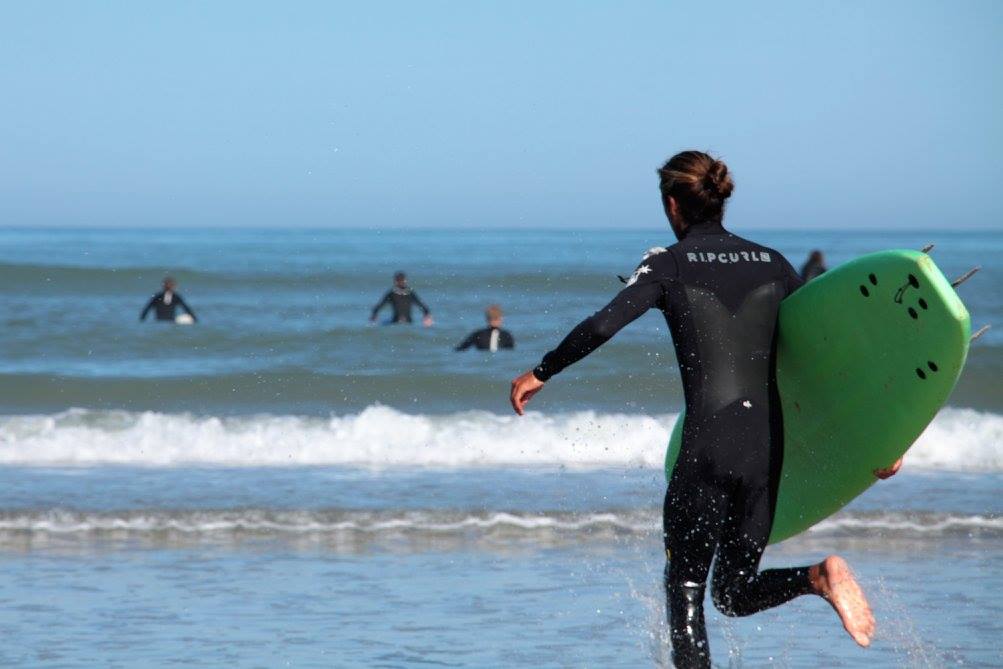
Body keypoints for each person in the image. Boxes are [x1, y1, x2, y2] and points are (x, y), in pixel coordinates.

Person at [509, 151, 902, 668]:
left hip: (707, 449)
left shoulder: (667, 264)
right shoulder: (773, 263)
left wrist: (542, 371)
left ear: (673, 205)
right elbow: (825, 356)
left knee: (688, 591)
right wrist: (885, 436)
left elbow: (604, 324)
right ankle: (816, 577)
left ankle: (815, 580)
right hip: (764, 452)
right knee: (733, 593)